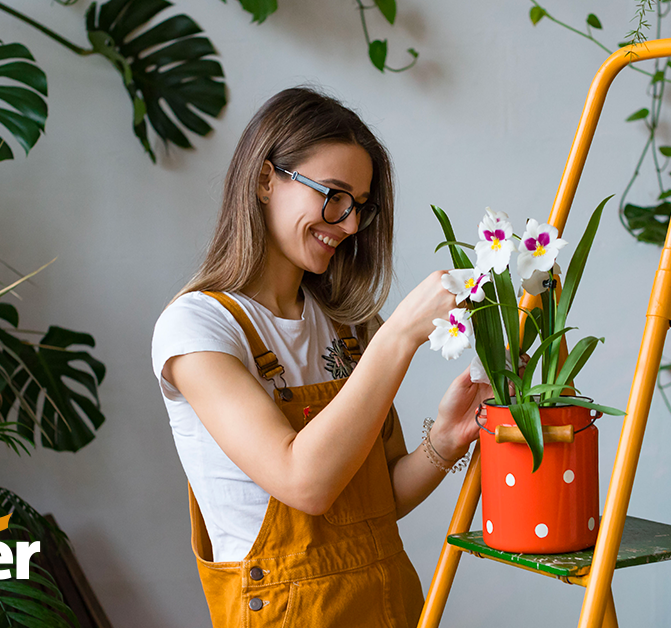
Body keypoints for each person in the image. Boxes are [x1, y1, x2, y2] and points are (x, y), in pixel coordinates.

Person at [151, 86, 489, 627]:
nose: (350, 224)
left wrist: (446, 440)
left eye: (360, 206)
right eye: (333, 195)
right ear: (266, 180)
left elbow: (381, 499)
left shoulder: (348, 324)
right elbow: (304, 482)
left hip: (389, 602)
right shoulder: (197, 328)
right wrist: (399, 335)